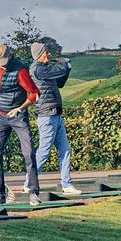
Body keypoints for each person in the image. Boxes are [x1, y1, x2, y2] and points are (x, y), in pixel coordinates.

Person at [0, 41, 42, 207]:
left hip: (18, 116)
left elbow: (34, 94)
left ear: (10, 57)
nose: (1, 65)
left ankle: (33, 192)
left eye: (3, 62)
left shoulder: (21, 71)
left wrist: (19, 109)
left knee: (28, 153)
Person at [28, 40, 79, 196]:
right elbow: (59, 72)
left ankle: (66, 184)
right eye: (46, 52)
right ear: (39, 55)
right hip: (47, 115)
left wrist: (66, 68)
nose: (49, 54)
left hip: (55, 114)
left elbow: (60, 82)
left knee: (65, 150)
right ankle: (29, 183)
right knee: (44, 152)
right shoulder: (38, 69)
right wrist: (64, 64)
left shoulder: (45, 69)